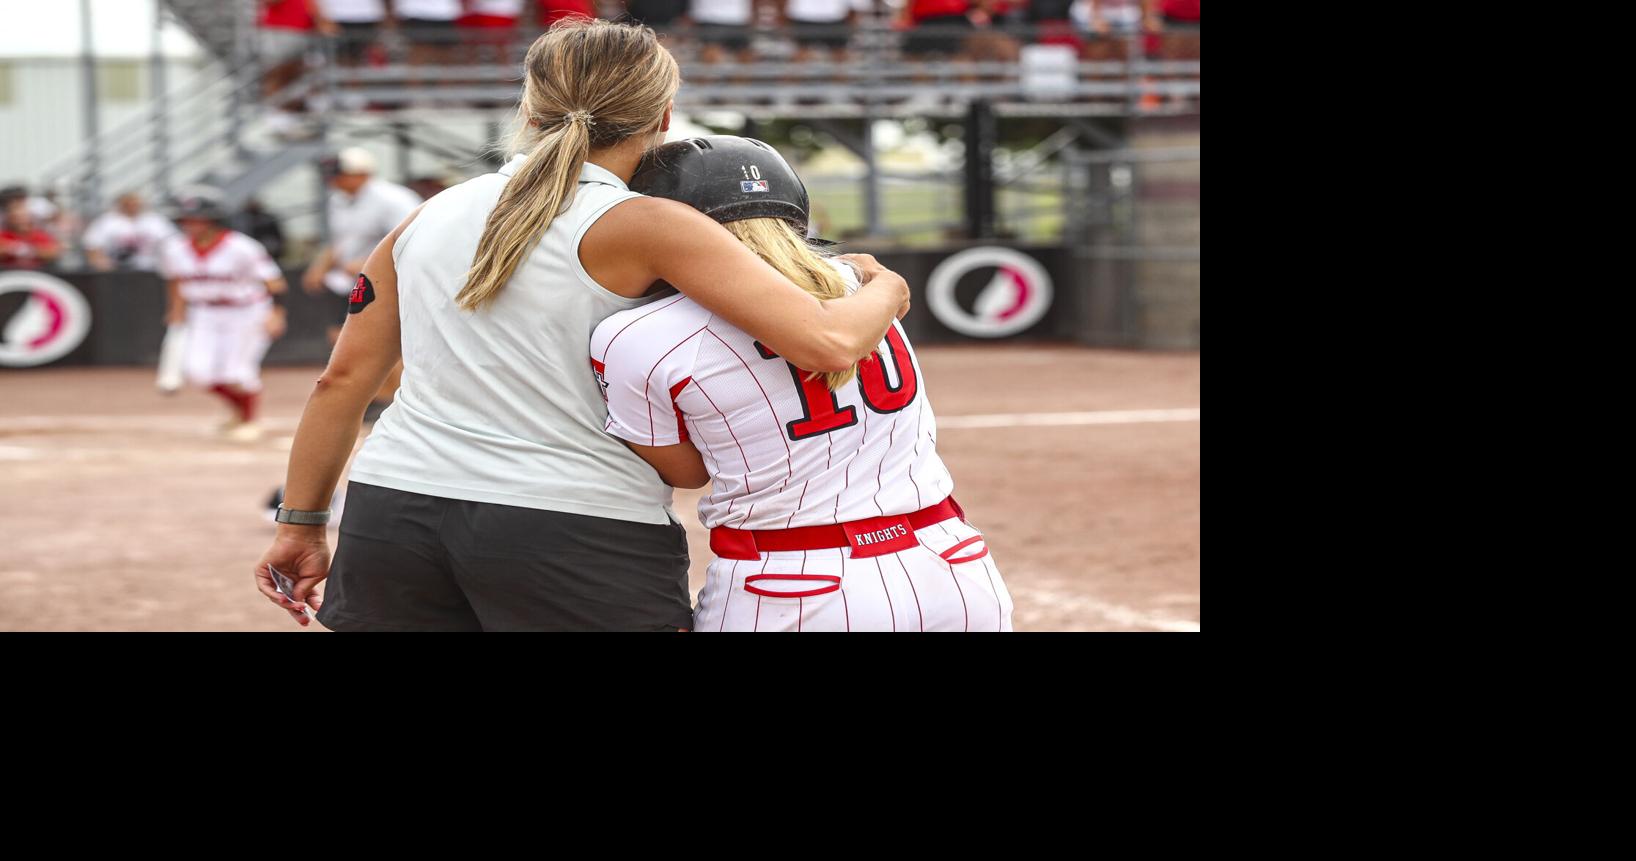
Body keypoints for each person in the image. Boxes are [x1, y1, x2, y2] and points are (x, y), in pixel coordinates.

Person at [253, 19, 910, 631]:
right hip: (574, 523)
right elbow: (829, 341)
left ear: (530, 111)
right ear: (663, 116)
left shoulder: (426, 216)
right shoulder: (647, 223)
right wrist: (887, 285)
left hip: (393, 512)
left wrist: (300, 523)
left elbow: (341, 382)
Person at [593, 137, 1012, 631]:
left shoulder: (636, 334)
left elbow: (687, 473)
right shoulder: (865, 286)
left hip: (793, 581)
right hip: (953, 562)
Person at [157, 189, 289, 441]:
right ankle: (239, 412)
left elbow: (275, 283)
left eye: (197, 219)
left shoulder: (242, 247)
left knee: (236, 372)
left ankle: (249, 420)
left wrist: (276, 314)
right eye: (185, 219)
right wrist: (176, 311)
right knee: (198, 371)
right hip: (203, 312)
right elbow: (175, 281)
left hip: (246, 311)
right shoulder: (174, 248)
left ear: (214, 219)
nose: (190, 225)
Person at [303, 146, 421, 416]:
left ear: (361, 174)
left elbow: (411, 239)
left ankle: (392, 399)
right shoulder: (339, 200)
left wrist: (369, 262)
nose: (333, 180)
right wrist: (320, 266)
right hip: (346, 282)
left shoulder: (393, 199)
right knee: (343, 339)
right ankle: (375, 397)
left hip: (385, 280)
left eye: (339, 174)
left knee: (385, 342)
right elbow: (340, 241)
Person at [82, 193, 177, 271]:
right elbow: (92, 245)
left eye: (135, 204)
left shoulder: (155, 220)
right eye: (128, 204)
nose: (132, 207)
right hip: (117, 270)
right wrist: (102, 264)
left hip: (153, 269)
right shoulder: (108, 221)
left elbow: (172, 242)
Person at [0, 195, 62, 270]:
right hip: (9, 273)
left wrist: (31, 251)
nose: (20, 221)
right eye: (16, 217)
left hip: (37, 273)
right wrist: (12, 248)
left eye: (23, 217)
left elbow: (54, 252)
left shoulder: (40, 235)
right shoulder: (3, 235)